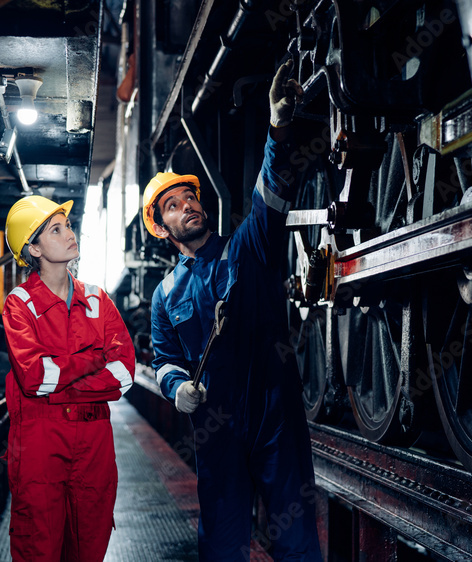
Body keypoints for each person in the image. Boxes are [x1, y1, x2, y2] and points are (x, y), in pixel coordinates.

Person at [145, 59, 322, 560]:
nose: (188, 206)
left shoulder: (247, 248)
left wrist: (278, 129)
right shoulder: (165, 295)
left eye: (190, 197)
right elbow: (164, 359)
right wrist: (177, 388)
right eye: (173, 205)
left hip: (275, 415)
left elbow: (271, 192)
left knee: (296, 539)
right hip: (216, 426)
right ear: (161, 228)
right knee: (222, 544)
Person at [2, 195, 135, 561]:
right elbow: (35, 377)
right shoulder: (20, 304)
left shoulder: (97, 299)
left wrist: (60, 385)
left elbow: (123, 374)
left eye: (69, 226)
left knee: (89, 542)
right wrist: (93, 359)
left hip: (94, 444)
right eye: (56, 230)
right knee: (39, 544)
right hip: (39, 444)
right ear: (34, 249)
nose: (70, 234)